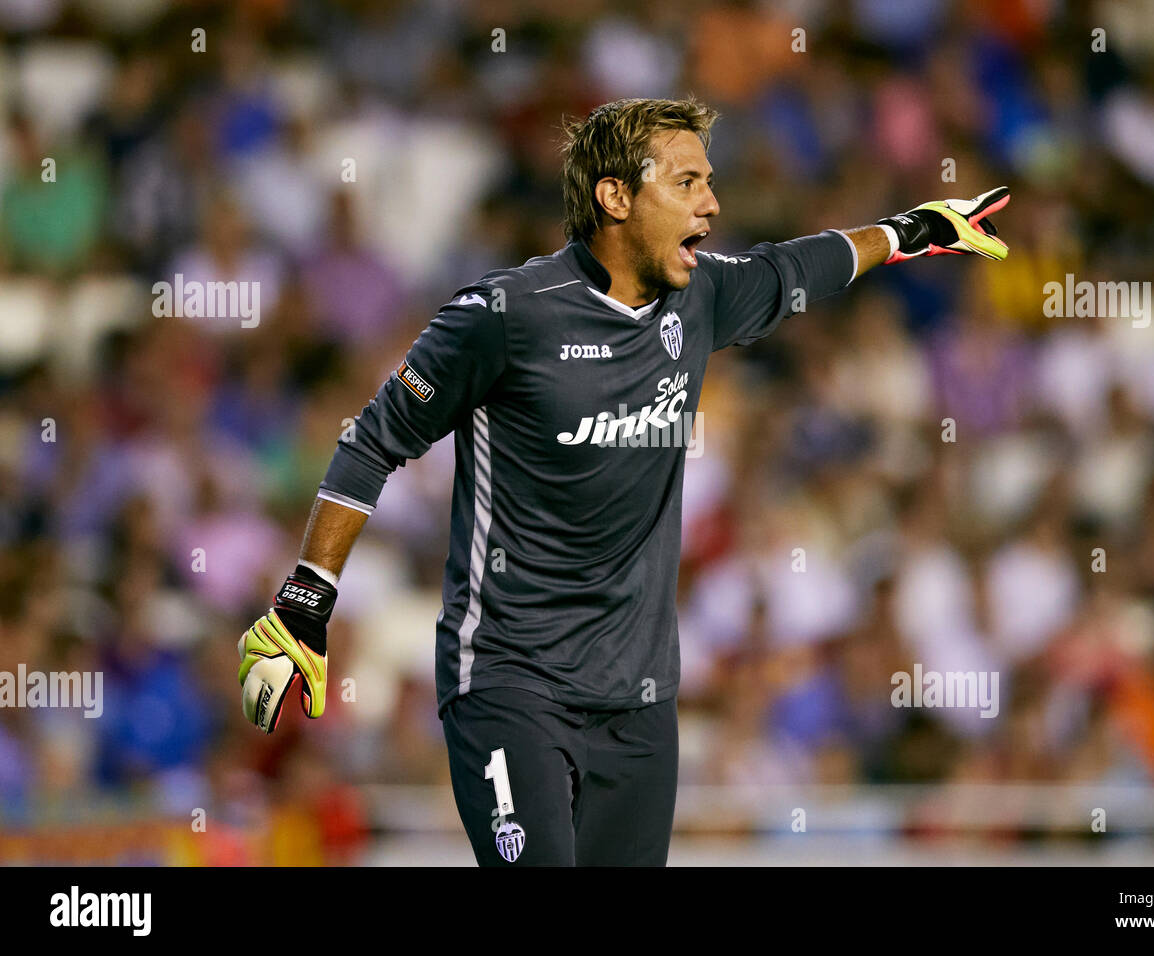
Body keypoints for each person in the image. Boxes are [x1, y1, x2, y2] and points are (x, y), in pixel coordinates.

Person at [236, 96, 1009, 866]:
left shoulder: (699, 297)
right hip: (511, 684)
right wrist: (305, 601)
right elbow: (370, 444)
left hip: (638, 703)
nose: (712, 203)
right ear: (615, 197)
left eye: (708, 181)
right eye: (686, 183)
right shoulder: (505, 315)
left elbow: (802, 265)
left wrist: (917, 231)